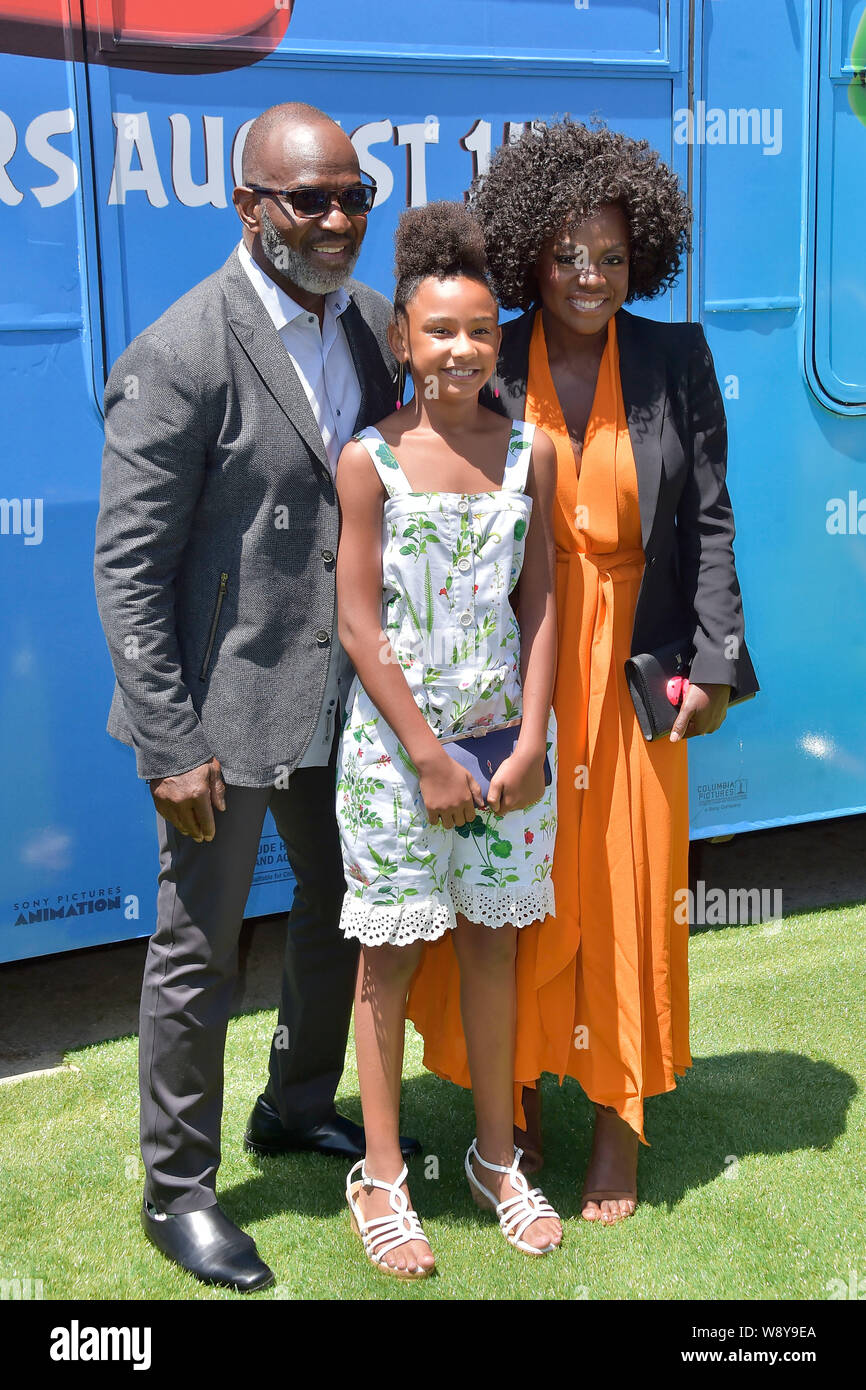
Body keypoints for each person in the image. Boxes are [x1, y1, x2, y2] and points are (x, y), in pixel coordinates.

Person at [93, 101, 418, 1292]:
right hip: (217, 721)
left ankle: (294, 1103)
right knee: (198, 951)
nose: (338, 220)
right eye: (309, 200)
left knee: (341, 910)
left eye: (353, 197)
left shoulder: (376, 325)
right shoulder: (183, 350)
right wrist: (171, 742)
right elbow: (127, 568)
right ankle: (176, 1190)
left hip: (343, 703)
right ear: (249, 208)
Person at [410, 119, 758, 1224]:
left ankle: (617, 1116)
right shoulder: (484, 354)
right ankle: (513, 1100)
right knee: (514, 889)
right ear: (527, 255)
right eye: (566, 254)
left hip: (632, 670)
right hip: (511, 665)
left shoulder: (674, 358)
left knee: (625, 896)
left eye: (610, 256)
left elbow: (705, 519)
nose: (589, 276)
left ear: (639, 256)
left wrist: (711, 663)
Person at [334, 202, 562, 1276]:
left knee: (489, 947)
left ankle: (493, 1159)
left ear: (497, 341)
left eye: (479, 331)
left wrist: (528, 745)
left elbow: (545, 601)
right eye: (437, 332)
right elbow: (355, 621)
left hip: (508, 751)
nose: (459, 350)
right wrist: (426, 753)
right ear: (401, 341)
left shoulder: (532, 456)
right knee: (385, 959)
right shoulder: (367, 461)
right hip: (395, 759)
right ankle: (380, 1176)